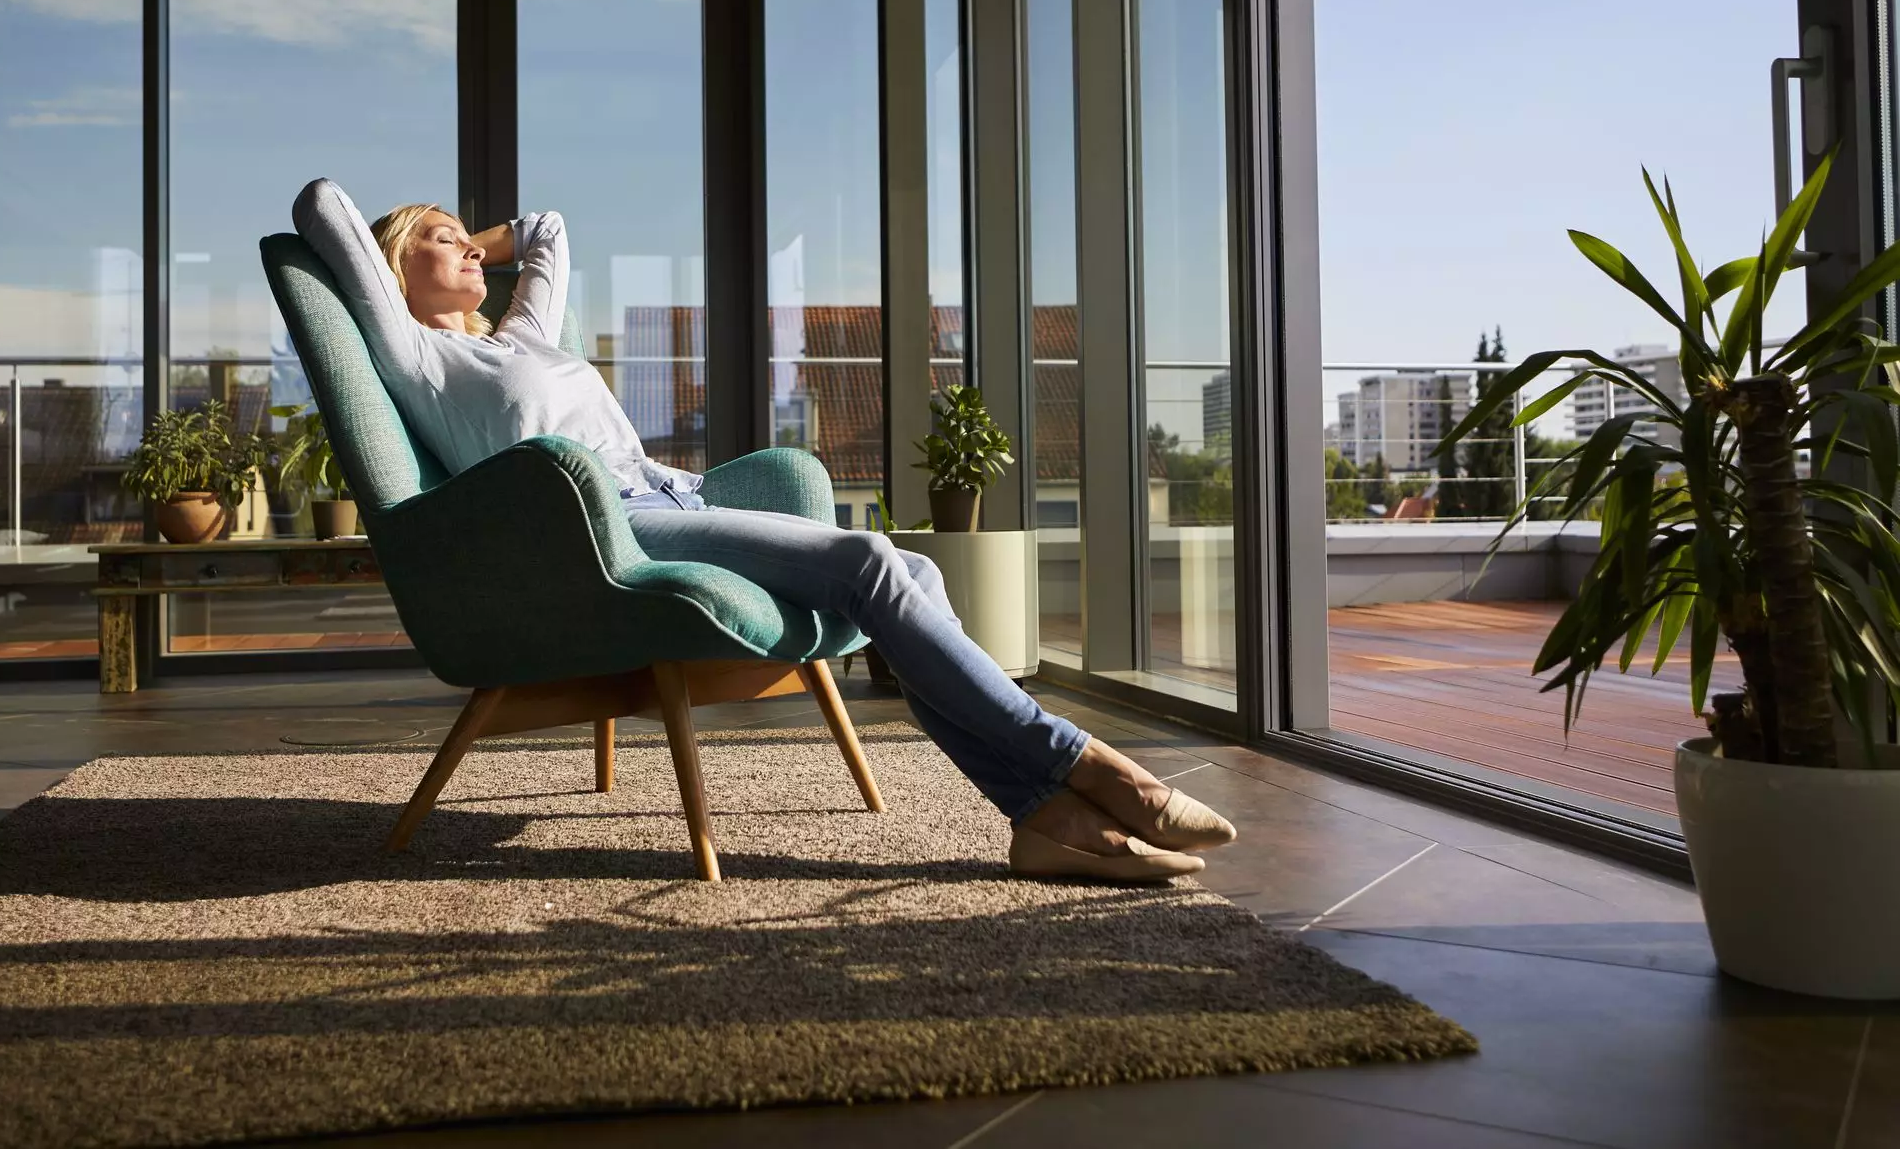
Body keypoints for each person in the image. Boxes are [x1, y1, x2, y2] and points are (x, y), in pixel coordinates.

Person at [295, 178, 1238, 881]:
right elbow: (321, 209)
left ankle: (1045, 821)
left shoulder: (521, 337)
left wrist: (482, 247)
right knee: (874, 559)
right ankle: (1092, 769)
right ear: (392, 268)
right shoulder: (415, 356)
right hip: (596, 534)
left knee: (913, 571)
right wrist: (407, 247)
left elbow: (548, 229)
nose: (468, 251)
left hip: (676, 500)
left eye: (470, 242)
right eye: (441, 241)